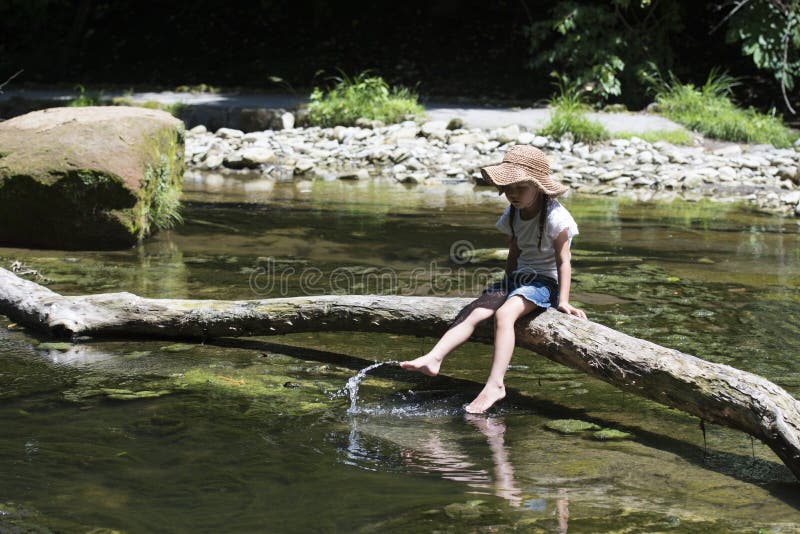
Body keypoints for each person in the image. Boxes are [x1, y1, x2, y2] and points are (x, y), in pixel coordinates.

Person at [400, 145, 587, 413]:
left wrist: (564, 301)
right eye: (508, 187)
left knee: (505, 316)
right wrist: (504, 287)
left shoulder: (557, 218)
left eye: (520, 187)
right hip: (519, 279)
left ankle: (495, 385)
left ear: (538, 187)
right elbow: (515, 250)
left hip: (544, 283)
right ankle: (434, 357)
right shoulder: (512, 213)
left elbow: (563, 261)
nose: (512, 193)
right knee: (476, 310)